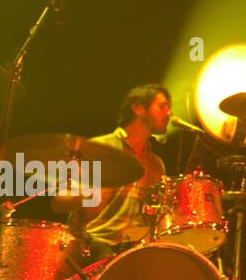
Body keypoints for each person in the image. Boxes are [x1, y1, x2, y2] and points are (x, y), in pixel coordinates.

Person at [52, 83, 171, 263]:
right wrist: (86, 196)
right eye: (162, 106)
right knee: (107, 257)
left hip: (133, 248)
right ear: (139, 108)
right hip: (92, 242)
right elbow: (59, 203)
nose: (169, 113)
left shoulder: (156, 165)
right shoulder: (97, 148)